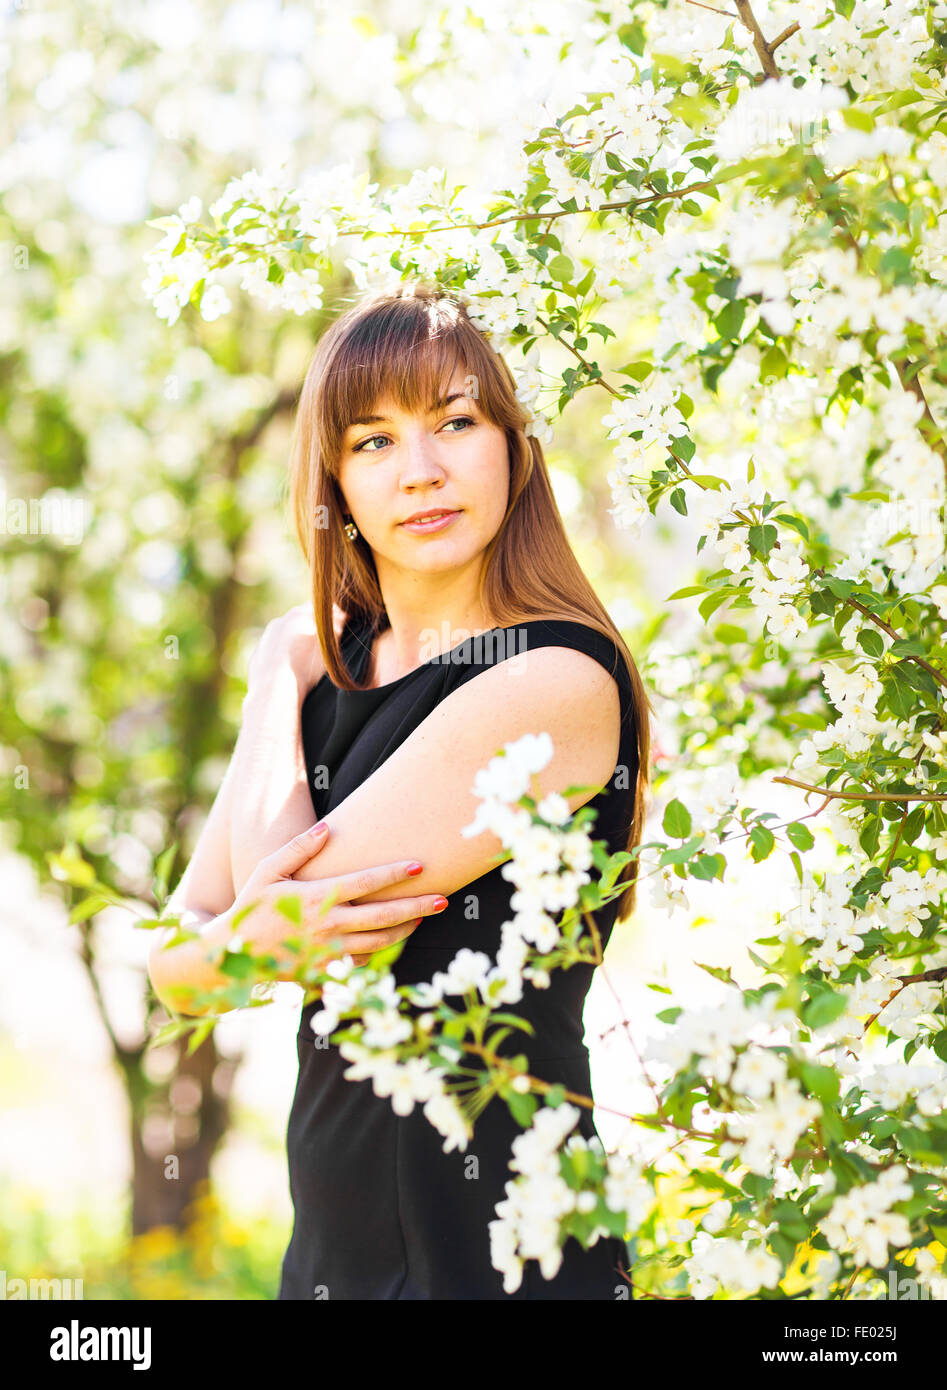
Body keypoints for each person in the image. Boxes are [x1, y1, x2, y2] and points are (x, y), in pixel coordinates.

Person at [148, 281, 652, 1300]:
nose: (419, 471)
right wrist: (289, 669)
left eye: (455, 422)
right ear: (331, 477)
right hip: (333, 1255)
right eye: (372, 441)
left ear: (510, 441)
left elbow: (296, 923)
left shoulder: (554, 678)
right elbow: (177, 964)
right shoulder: (325, 668)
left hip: (494, 1249)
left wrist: (275, 676)